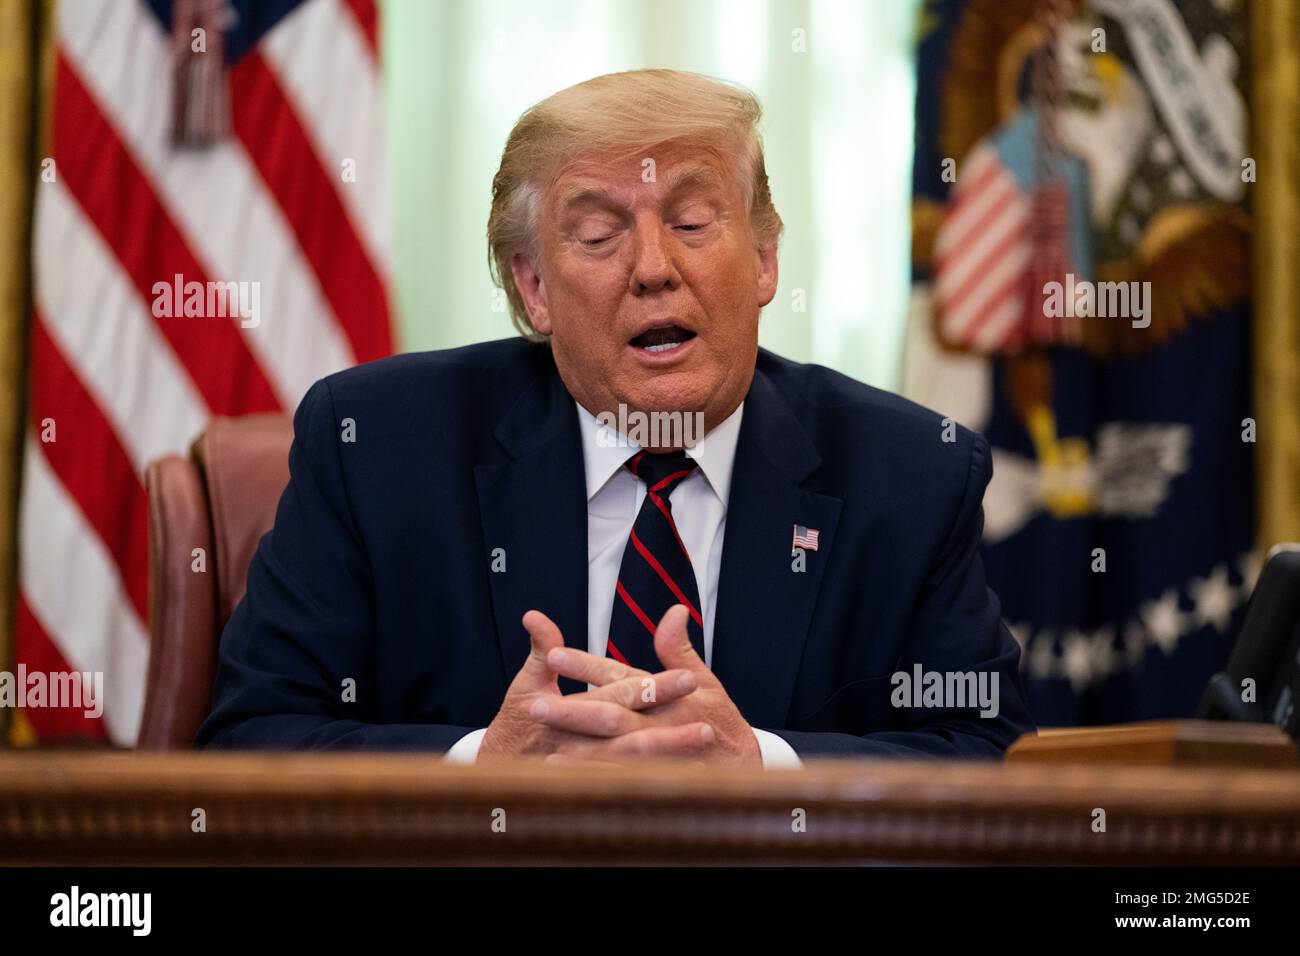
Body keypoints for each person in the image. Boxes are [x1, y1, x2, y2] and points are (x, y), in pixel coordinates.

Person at [197, 69, 1035, 766]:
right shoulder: (374, 449)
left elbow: (993, 754)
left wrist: (763, 767)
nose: (654, 269)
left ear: (767, 258)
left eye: (693, 221)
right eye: (598, 234)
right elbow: (251, 738)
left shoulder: (911, 475)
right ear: (532, 289)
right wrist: (481, 765)